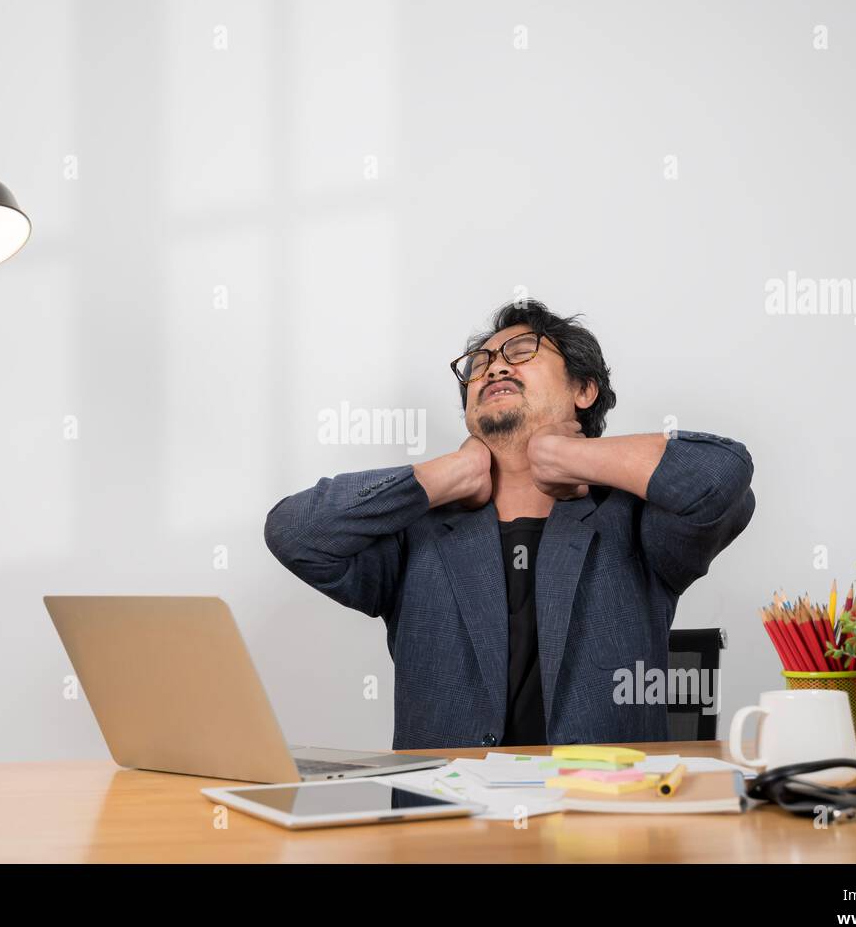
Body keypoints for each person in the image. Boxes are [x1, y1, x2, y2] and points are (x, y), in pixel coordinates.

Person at [264, 298, 755, 749]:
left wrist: (569, 454)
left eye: (521, 351)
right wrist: (452, 472)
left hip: (600, 827)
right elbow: (295, 532)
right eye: (480, 364)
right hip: (448, 830)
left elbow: (721, 480)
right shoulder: (417, 532)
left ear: (584, 390)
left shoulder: (633, 521)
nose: (494, 365)